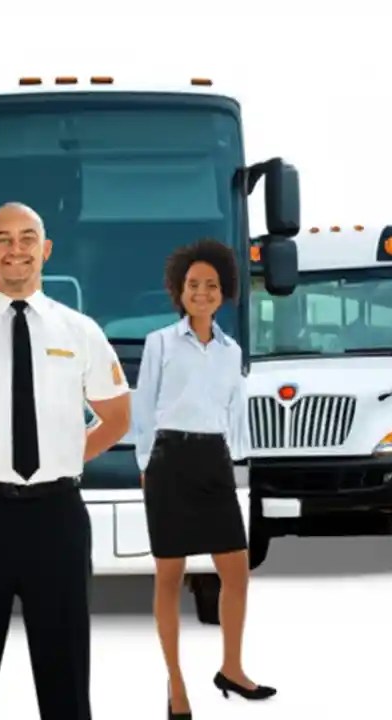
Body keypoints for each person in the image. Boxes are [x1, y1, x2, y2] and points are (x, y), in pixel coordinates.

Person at [0, 202, 132, 719]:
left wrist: (64, 456)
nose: (16, 250)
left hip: (56, 518)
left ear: (46, 249)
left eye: (27, 238)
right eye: (3, 239)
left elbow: (117, 417)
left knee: (65, 681)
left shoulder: (79, 331)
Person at [131, 238, 277, 718]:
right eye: (193, 284)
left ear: (223, 292)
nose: (202, 292)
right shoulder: (160, 343)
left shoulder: (231, 351)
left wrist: (238, 460)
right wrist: (146, 465)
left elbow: (235, 412)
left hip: (215, 461)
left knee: (237, 572)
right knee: (169, 576)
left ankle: (231, 668)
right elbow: (143, 408)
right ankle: (176, 685)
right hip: (170, 461)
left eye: (211, 285)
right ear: (179, 290)